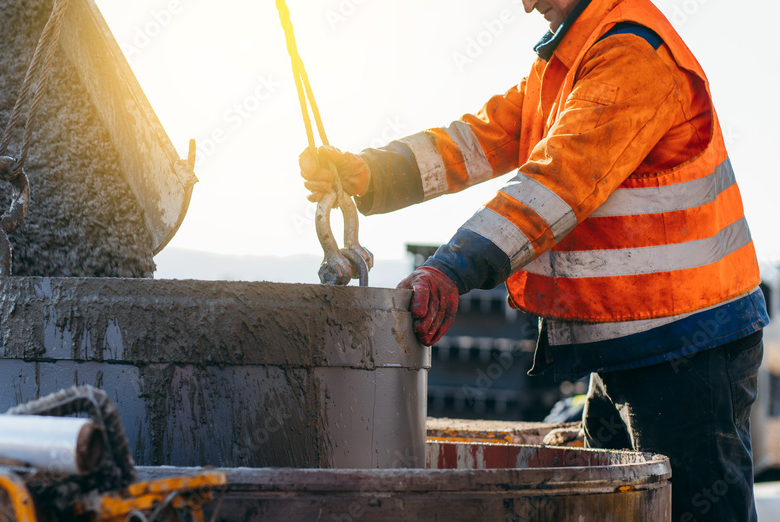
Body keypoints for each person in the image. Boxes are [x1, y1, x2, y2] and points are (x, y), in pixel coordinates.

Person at [299, 0, 769, 520]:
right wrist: (371, 174)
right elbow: (482, 138)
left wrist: (452, 267)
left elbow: (556, 183)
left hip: (689, 346)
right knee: (617, 507)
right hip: (633, 343)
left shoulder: (632, 57)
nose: (526, 4)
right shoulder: (574, 56)